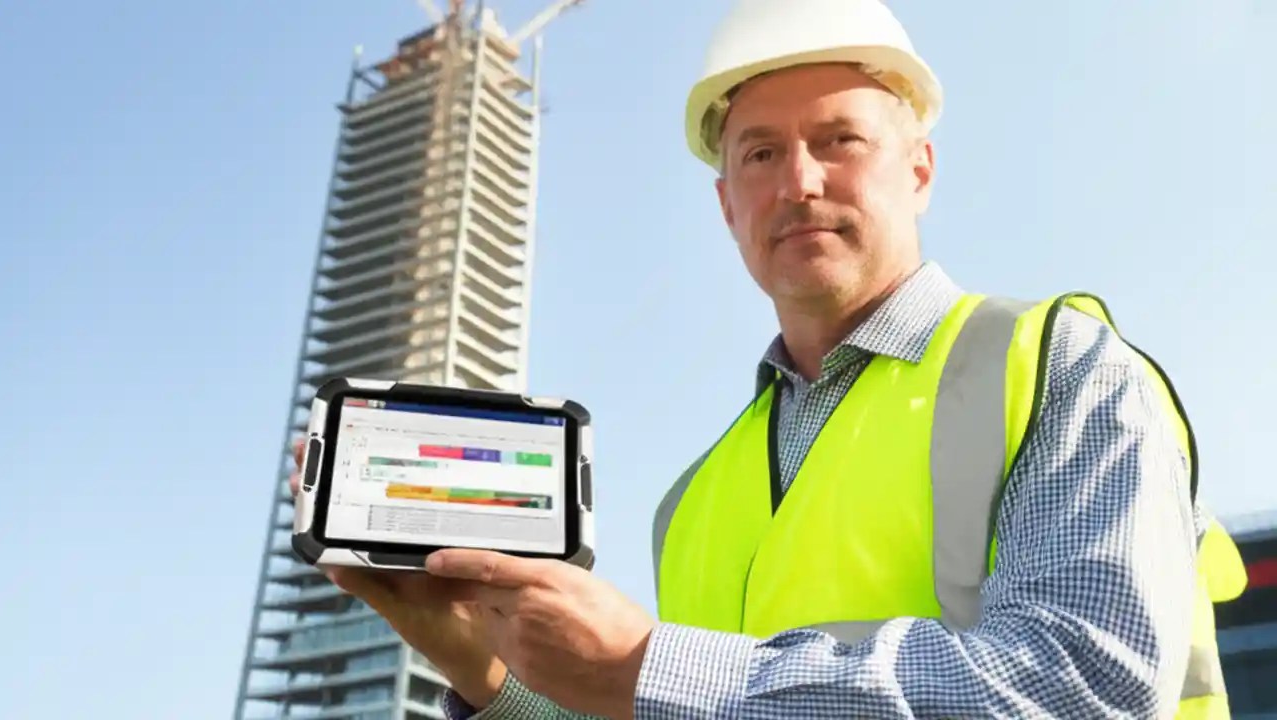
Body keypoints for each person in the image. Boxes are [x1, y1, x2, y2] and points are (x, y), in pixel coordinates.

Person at [289, 0, 1250, 717]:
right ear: (726, 205)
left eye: (840, 141)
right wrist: (477, 665)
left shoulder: (1058, 365)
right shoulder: (695, 503)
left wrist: (643, 665)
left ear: (919, 169)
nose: (798, 182)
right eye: (759, 154)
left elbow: (1085, 682)